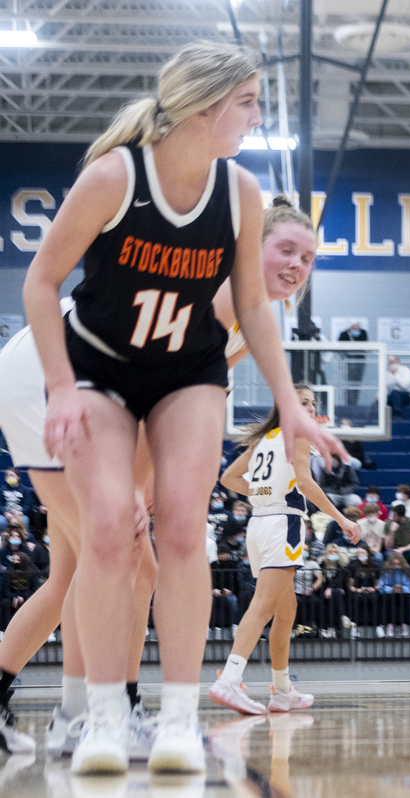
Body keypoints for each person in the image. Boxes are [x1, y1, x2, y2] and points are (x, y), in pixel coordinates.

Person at [21, 41, 346, 774]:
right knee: (106, 528)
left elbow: (256, 309)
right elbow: (40, 284)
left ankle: (175, 719)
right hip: (97, 368)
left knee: (179, 529)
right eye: (248, 102)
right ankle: (101, 719)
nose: (257, 116)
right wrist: (61, 386)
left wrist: (291, 404)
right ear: (206, 107)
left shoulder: (239, 193)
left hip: (186, 374)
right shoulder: (114, 178)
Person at [0, 185, 324, 763]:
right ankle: (92, 715)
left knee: (75, 570)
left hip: (47, 373)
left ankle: (71, 708)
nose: (298, 266)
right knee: (125, 555)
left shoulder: (243, 310)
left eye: (309, 257)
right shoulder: (228, 293)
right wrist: (134, 491)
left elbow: (171, 380)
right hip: (64, 371)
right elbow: (157, 382)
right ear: (254, 243)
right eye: (287, 250)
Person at [209, 384, 359, 714]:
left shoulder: (265, 438)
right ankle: (229, 681)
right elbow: (305, 484)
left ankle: (282, 690)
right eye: (302, 402)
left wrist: (263, 492)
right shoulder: (298, 437)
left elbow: (230, 478)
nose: (308, 408)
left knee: (286, 608)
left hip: (259, 525)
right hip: (283, 524)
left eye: (312, 403)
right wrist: (342, 520)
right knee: (263, 605)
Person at [337, 322, 368, 406]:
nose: (356, 330)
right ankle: (348, 404)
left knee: (357, 384)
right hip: (348, 363)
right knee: (348, 384)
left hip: (359, 363)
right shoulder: (344, 334)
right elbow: (340, 345)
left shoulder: (363, 333)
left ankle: (354, 403)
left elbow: (363, 343)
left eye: (358, 328)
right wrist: (348, 332)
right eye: (354, 328)